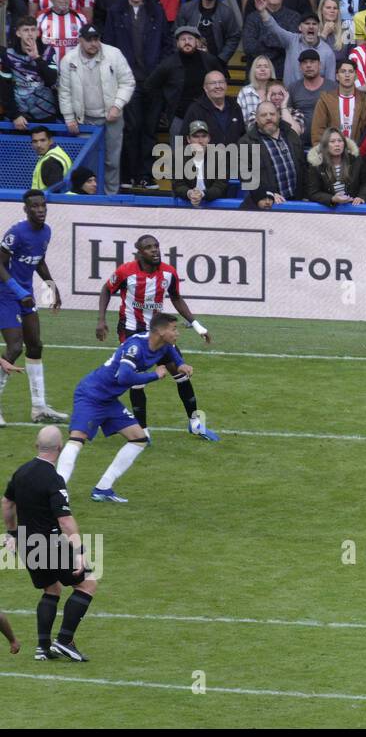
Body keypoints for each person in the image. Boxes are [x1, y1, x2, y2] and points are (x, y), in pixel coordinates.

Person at [57, 311, 188, 505]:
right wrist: (155, 375)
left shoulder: (163, 344)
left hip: (109, 400)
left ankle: (103, 488)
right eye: (173, 329)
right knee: (77, 439)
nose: (177, 333)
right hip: (91, 395)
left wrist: (182, 364)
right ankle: (56, 492)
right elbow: (124, 377)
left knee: (139, 439)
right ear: (160, 331)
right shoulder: (135, 346)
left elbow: (171, 352)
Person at [95, 234, 217, 440]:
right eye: (149, 247)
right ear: (140, 252)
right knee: (135, 380)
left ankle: (195, 423)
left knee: (180, 372)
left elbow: (177, 297)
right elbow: (106, 289)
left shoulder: (168, 273)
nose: (155, 250)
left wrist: (197, 326)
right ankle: (142, 429)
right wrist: (101, 319)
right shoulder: (126, 271)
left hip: (160, 333)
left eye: (156, 246)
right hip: (132, 331)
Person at [2, 425, 98, 661]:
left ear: (37, 446)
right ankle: (64, 641)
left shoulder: (21, 472)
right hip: (51, 543)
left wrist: (12, 534)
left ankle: (43, 647)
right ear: (60, 447)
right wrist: (79, 550)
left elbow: (6, 503)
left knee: (52, 588)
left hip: (27, 543)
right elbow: (65, 519)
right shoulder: (53, 479)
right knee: (88, 584)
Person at [0, 189, 66, 425]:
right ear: (25, 209)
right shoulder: (16, 233)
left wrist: (51, 288)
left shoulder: (46, 231)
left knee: (35, 345)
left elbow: (39, 261)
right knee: (15, 346)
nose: (40, 210)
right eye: (35, 207)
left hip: (25, 296)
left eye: (43, 206)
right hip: (6, 295)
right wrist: (18, 291)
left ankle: (39, 407)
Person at [57, 23, 134, 195]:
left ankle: (110, 197)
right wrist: (69, 117)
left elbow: (128, 82)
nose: (93, 43)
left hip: (111, 117)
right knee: (88, 162)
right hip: (84, 120)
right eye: (89, 40)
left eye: (96, 39)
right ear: (80, 40)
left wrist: (117, 105)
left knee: (112, 161)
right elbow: (65, 91)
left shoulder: (114, 54)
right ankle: (89, 199)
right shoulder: (68, 60)